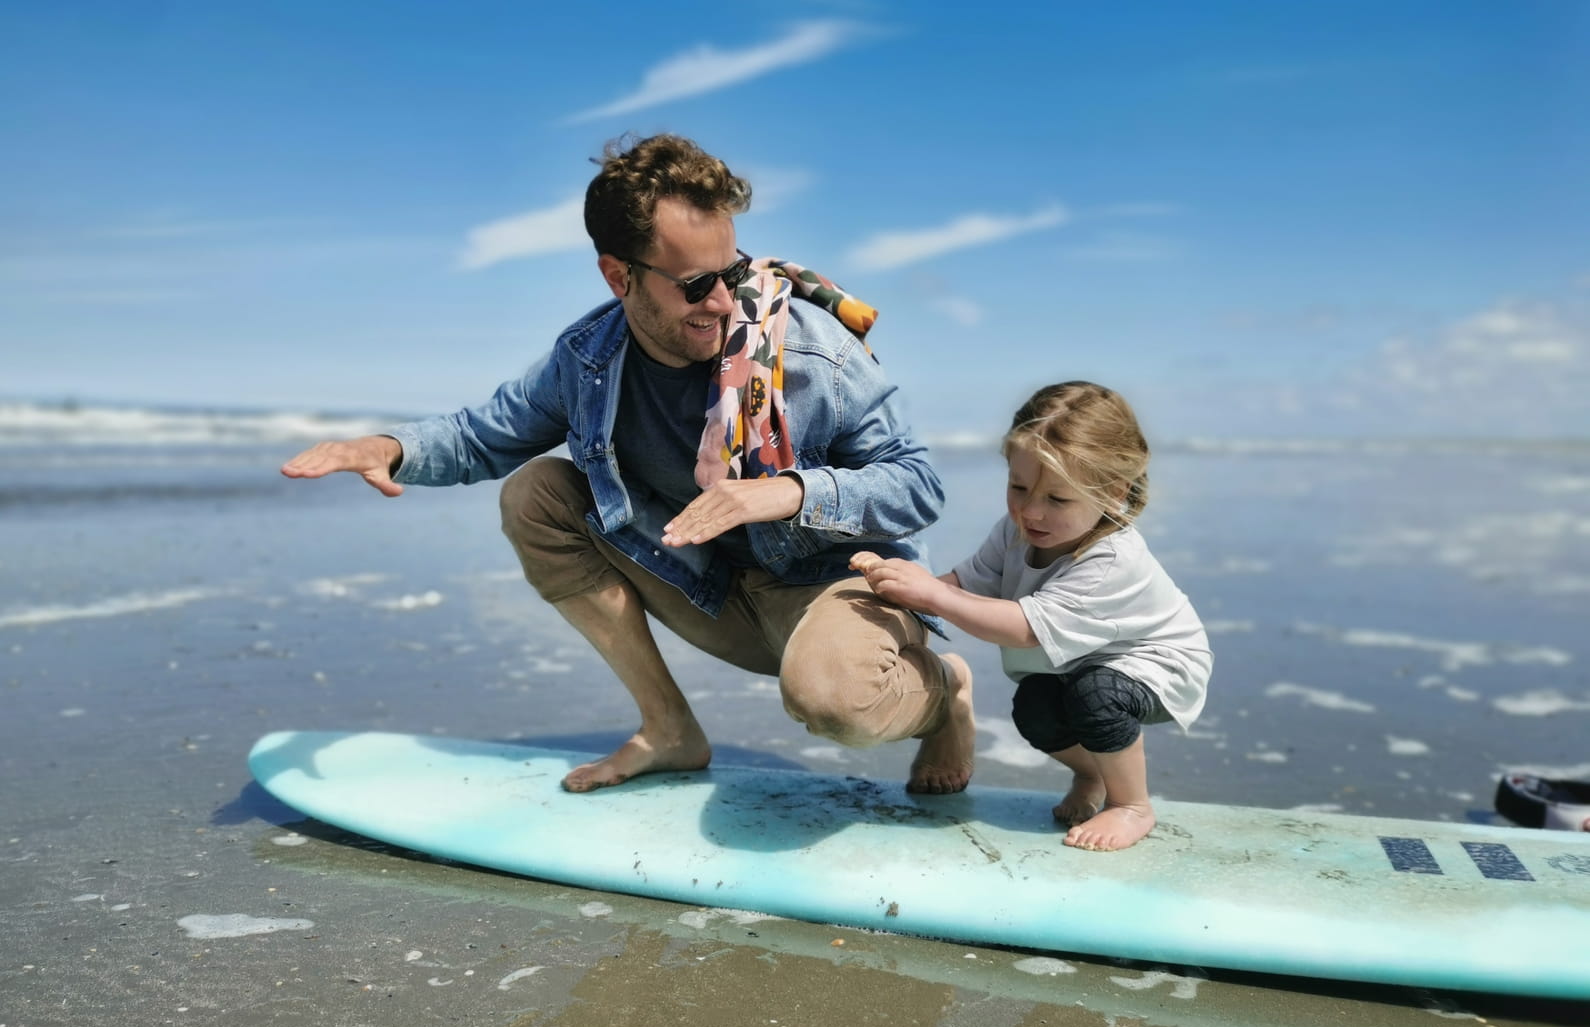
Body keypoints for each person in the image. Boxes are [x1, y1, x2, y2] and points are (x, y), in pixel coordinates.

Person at [281, 133, 975, 796]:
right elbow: (480, 436)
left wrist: (790, 492)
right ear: (619, 276)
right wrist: (390, 448)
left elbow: (918, 484)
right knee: (537, 494)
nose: (724, 301)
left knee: (837, 704)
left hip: (834, 584)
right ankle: (669, 728)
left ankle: (946, 694)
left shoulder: (813, 352)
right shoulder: (588, 358)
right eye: (696, 283)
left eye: (734, 272)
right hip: (710, 585)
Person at [850, 381, 1211, 851]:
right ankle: (1092, 774)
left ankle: (1132, 805)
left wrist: (933, 597)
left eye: (1057, 499)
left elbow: (1024, 630)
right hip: (1084, 660)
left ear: (1112, 493)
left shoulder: (1112, 559)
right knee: (1035, 708)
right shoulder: (1016, 530)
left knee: (1097, 696)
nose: (1031, 511)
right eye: (1018, 487)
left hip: (1159, 662)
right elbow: (967, 583)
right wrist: (902, 585)